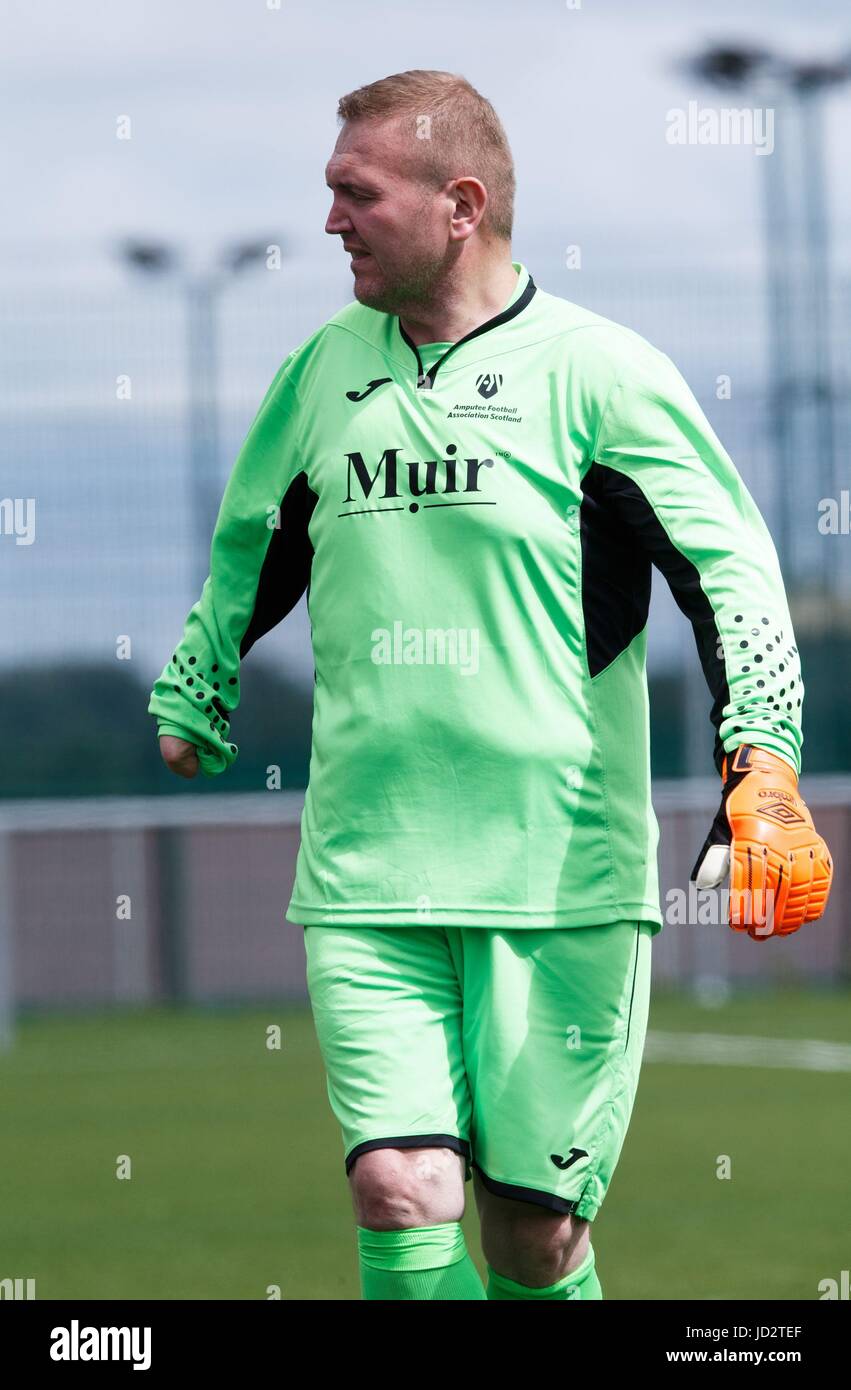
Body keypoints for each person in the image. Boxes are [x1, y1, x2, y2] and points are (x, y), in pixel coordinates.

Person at [149, 69, 833, 1301]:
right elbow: (256, 533)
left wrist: (762, 761)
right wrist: (199, 682)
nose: (329, 224)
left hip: (560, 872)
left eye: (356, 194)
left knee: (532, 1236)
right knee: (397, 1188)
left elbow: (727, 568)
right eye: (327, 194)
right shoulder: (318, 374)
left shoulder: (600, 373)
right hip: (368, 869)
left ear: (459, 203)